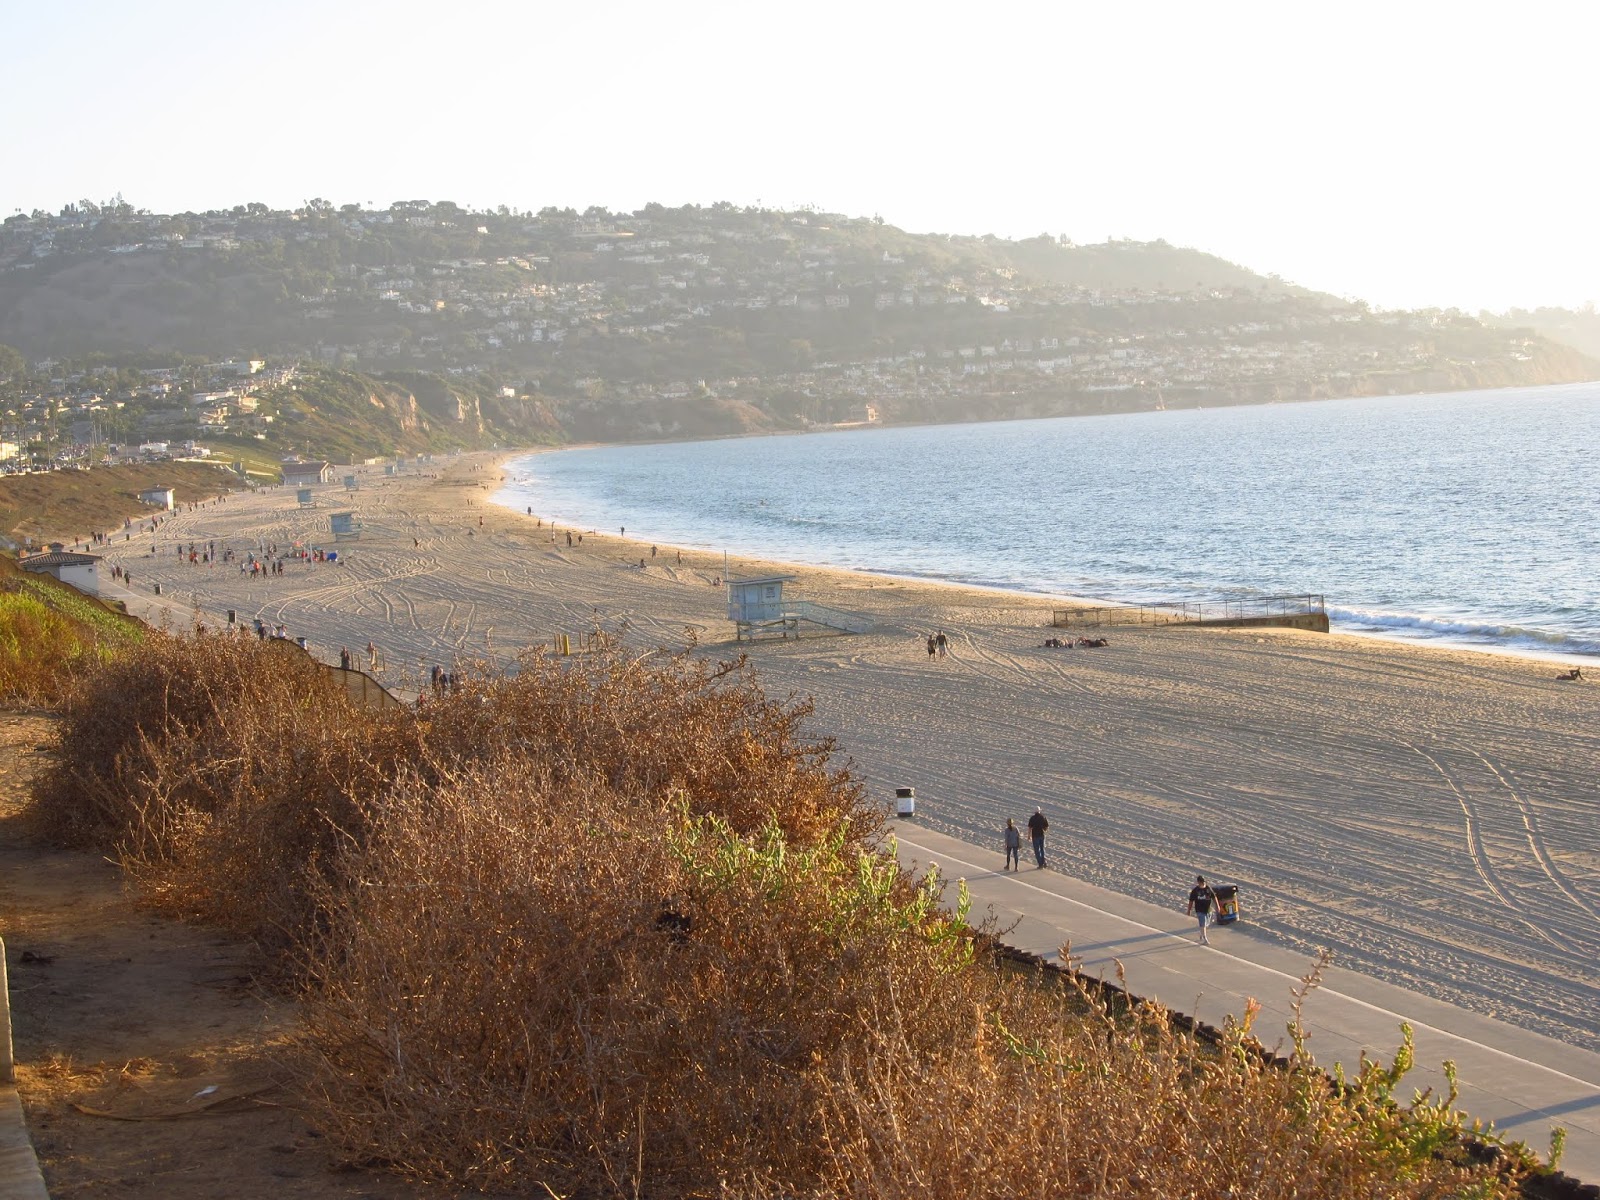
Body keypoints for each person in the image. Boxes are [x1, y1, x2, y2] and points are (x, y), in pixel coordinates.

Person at [1187, 875, 1218, 945]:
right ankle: (1205, 938)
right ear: (1198, 882)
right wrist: (1189, 910)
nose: (1203, 883)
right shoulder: (1195, 891)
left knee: (1207, 924)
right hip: (1200, 910)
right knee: (1203, 924)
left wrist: (1217, 906)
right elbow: (1191, 901)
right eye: (1201, 882)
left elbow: (1214, 897)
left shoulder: (1208, 888)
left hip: (1208, 910)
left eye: (1203, 882)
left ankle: (1202, 933)